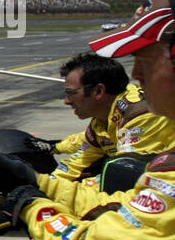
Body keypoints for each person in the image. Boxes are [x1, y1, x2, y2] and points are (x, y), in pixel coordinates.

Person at [0, 0, 175, 240]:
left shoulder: (138, 117)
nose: (136, 75)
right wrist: (42, 182)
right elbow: (84, 158)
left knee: (119, 171)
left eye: (145, 59)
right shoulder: (107, 119)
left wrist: (36, 210)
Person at [37, 52, 175, 182]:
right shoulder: (101, 120)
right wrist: (46, 184)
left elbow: (124, 177)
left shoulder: (139, 115)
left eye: (71, 93)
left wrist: (53, 191)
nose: (67, 101)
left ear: (98, 91)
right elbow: (79, 160)